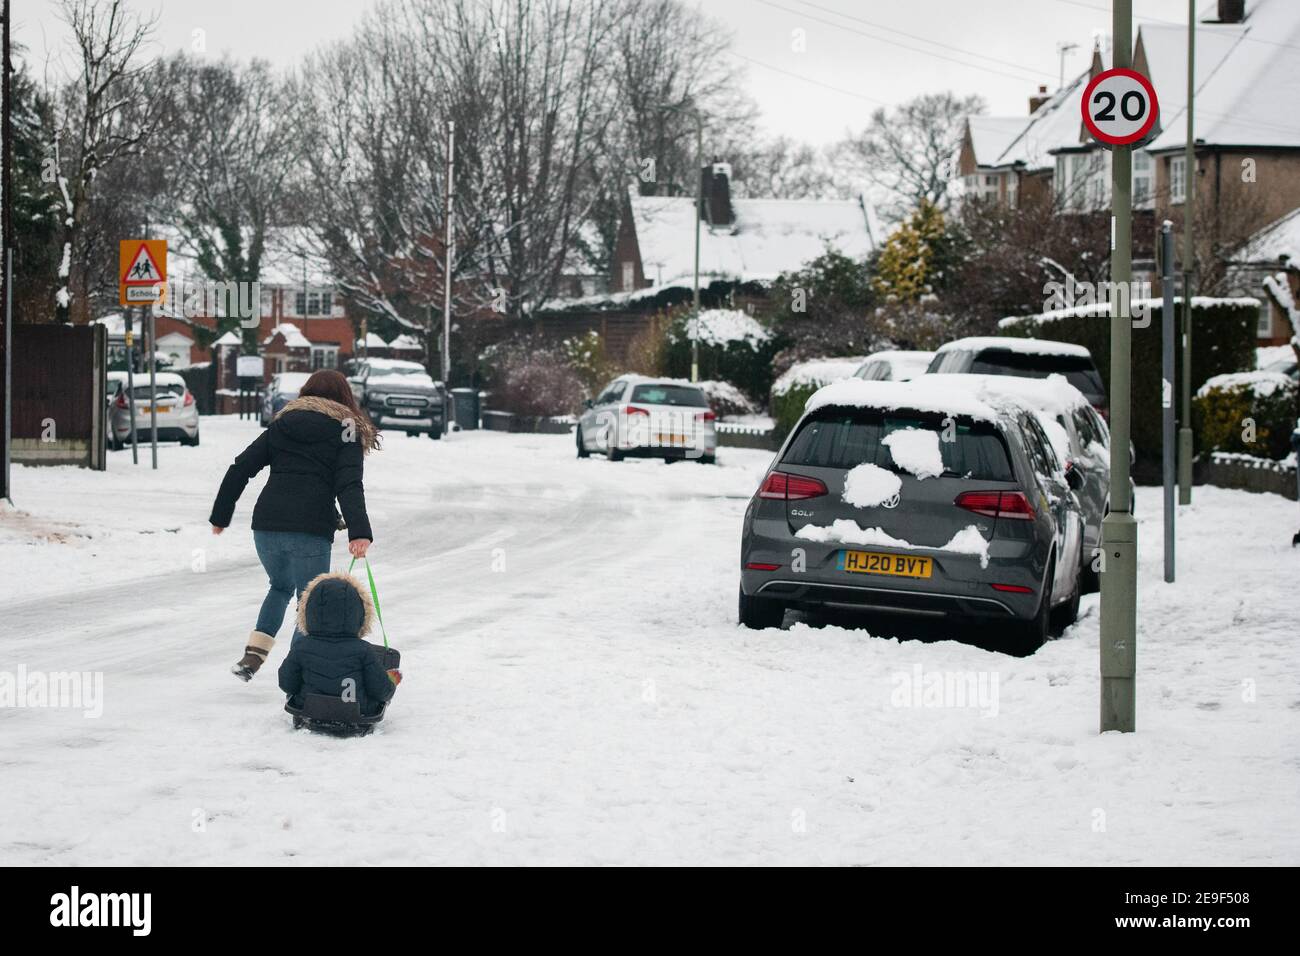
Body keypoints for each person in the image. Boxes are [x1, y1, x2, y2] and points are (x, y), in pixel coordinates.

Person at [209, 369, 380, 681]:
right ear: (345, 397)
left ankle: (253, 656)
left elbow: (241, 467)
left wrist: (221, 515)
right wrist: (359, 532)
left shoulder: (283, 423)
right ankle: (297, 674)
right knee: (308, 602)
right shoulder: (347, 428)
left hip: (266, 525)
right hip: (310, 527)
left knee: (280, 586)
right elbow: (349, 484)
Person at [278, 571, 400, 718]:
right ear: (360, 615)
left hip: (308, 708)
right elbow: (381, 691)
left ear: (308, 612)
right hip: (358, 712)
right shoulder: (364, 650)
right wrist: (391, 682)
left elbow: (286, 683)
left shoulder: (302, 646)